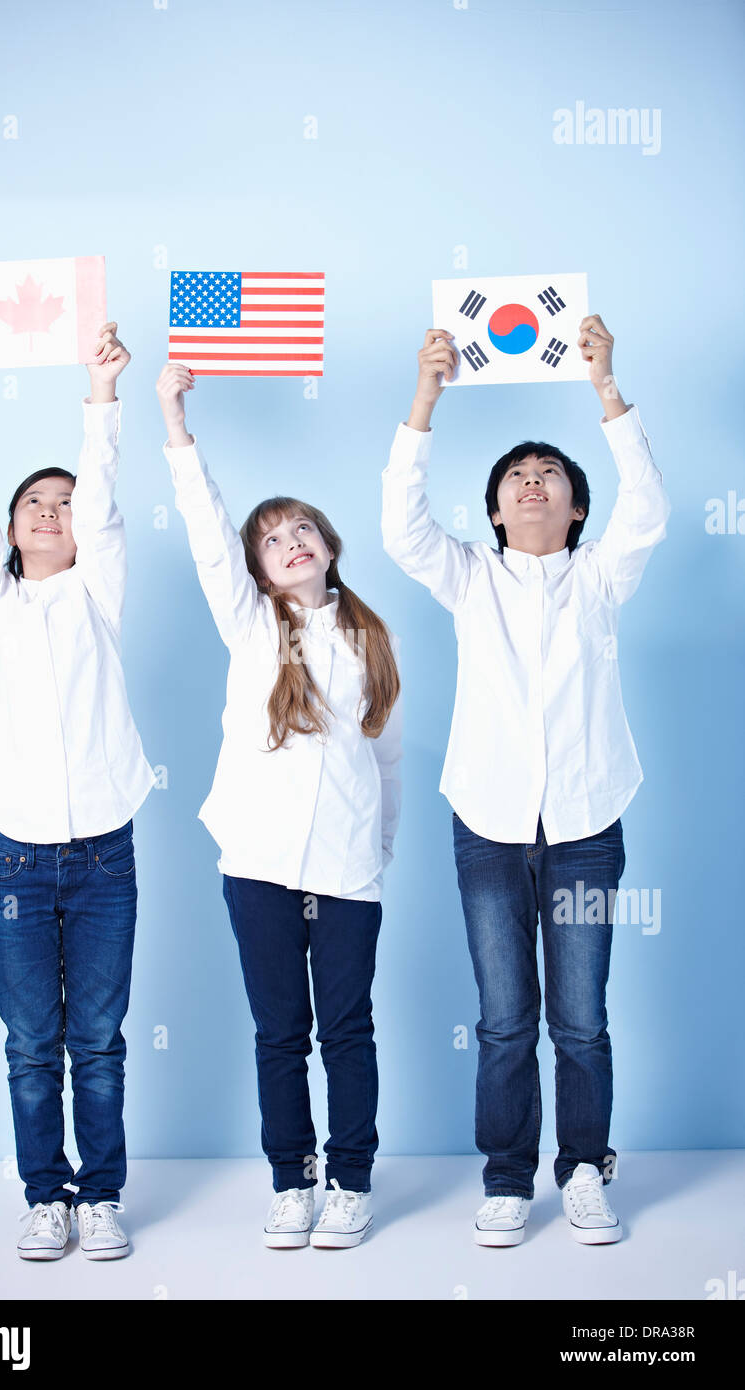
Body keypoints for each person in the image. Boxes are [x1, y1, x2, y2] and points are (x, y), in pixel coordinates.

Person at [382, 315, 670, 1246]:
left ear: (574, 508)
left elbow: (651, 508)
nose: (533, 482)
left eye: (550, 476)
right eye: (516, 478)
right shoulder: (469, 578)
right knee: (505, 1020)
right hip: (489, 833)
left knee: (580, 1019)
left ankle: (585, 1169)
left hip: (587, 828)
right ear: (497, 512)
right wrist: (427, 396)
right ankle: (509, 1178)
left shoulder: (600, 579)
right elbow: (398, 525)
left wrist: (605, 387)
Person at [156, 361, 402, 1249]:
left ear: (329, 543)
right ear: (258, 569)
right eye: (272, 539)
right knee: (278, 1035)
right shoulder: (251, 624)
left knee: (348, 1031)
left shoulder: (371, 636)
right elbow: (204, 530)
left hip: (346, 867)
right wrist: (175, 420)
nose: (289, 540)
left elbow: (388, 754)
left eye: (303, 528)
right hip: (256, 863)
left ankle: (351, 1181)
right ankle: (291, 1181)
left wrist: (377, 848)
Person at [0, 322, 155, 1260]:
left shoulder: (99, 593)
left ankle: (100, 1195)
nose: (52, 509)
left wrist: (100, 395)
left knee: (98, 1042)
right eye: (36, 500)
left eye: (63, 499)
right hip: (15, 854)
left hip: (104, 851)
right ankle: (46, 1195)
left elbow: (101, 503)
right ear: (15, 525)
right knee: (32, 1044)